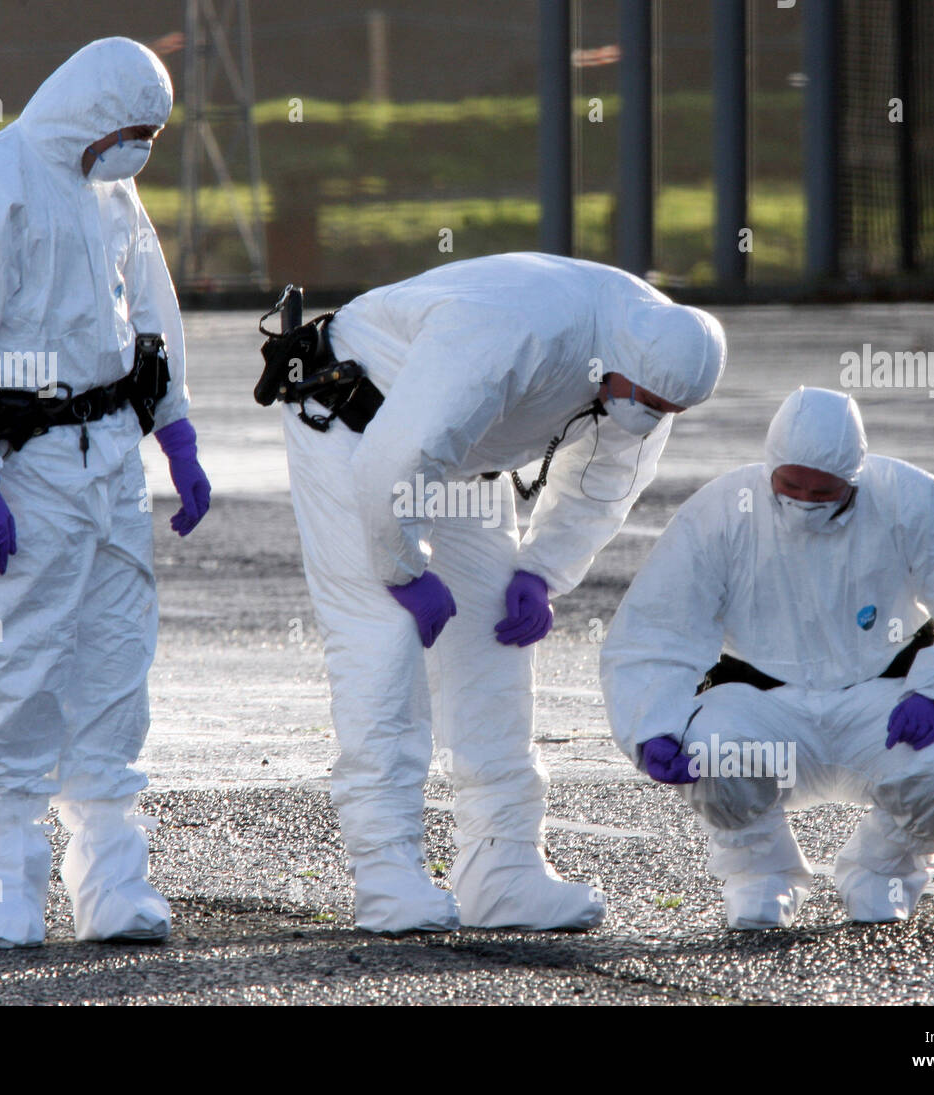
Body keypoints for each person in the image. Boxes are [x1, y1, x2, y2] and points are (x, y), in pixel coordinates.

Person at [273, 252, 727, 932]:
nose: (651, 417)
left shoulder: (651, 356)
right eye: (650, 401)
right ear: (618, 361)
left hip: (460, 456)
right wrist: (404, 571)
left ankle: (503, 867)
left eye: (669, 411)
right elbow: (397, 458)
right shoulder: (518, 331)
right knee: (384, 641)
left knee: (494, 644)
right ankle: (388, 872)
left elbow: (606, 481)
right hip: (355, 426)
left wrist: (540, 570)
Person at [0, 37, 211, 948]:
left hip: (110, 458)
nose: (138, 149)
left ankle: (113, 877)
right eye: (129, 130)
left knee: (117, 658)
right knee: (14, 659)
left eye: (150, 134)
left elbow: (148, 309)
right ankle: (4, 870)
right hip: (20, 465)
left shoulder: (111, 189)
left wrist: (176, 431)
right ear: (86, 111)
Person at [601, 387, 934, 928]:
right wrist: (651, 722)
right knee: (712, 752)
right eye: (790, 483)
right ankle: (761, 876)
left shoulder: (909, 497)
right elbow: (660, 625)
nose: (803, 500)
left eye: (823, 491)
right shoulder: (723, 509)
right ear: (769, 464)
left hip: (886, 698)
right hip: (760, 701)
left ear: (856, 475)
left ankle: (882, 872)